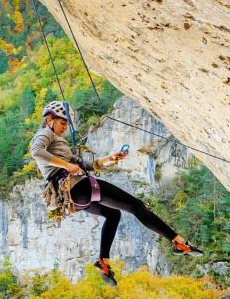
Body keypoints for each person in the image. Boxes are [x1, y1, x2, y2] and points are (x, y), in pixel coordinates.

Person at [28, 100, 201, 286]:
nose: (64, 128)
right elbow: (36, 151)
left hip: (75, 198)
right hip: (77, 187)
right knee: (136, 206)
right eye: (62, 123)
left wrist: (110, 159)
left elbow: (87, 165)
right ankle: (177, 241)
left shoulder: (59, 143)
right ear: (50, 119)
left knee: (113, 214)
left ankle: (104, 261)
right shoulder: (45, 133)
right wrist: (67, 165)